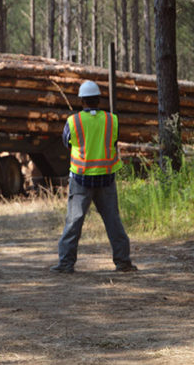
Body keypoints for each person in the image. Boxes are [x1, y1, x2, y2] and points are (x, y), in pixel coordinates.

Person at [50, 80, 137, 274]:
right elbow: (113, 141)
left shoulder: (74, 121)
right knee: (113, 221)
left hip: (81, 179)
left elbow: (67, 142)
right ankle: (123, 262)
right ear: (98, 99)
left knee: (73, 223)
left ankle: (66, 264)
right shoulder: (111, 119)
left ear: (82, 101)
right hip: (106, 178)